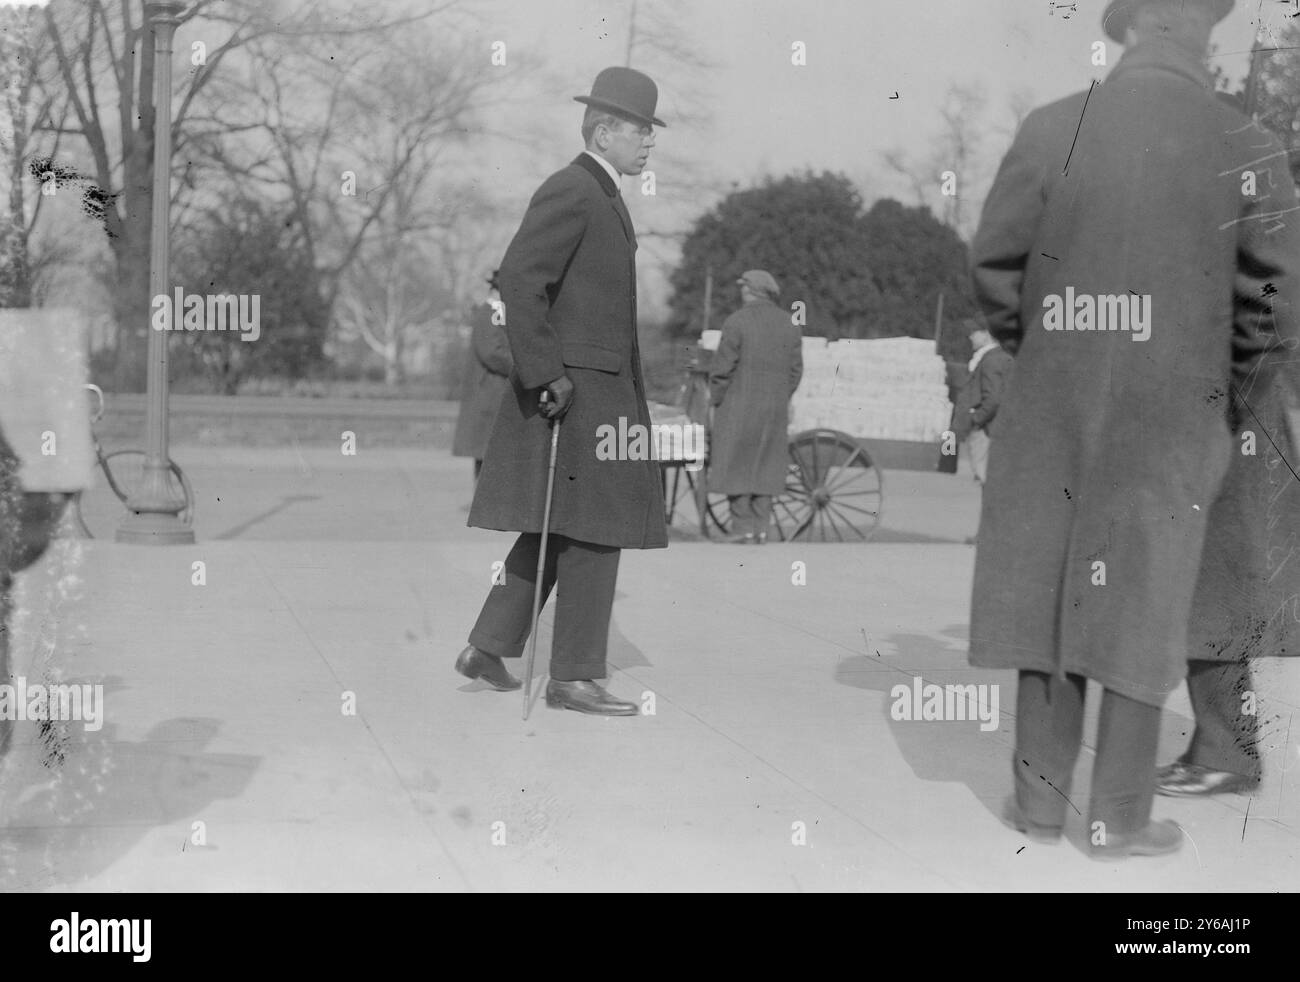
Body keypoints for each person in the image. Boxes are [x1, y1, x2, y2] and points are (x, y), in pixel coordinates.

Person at [967, 0, 1298, 858]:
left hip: (1053, 401)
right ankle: (1119, 816)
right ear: (1200, 30)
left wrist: (1039, 357)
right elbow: (1274, 305)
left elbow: (995, 265)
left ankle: (1037, 808)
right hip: (1174, 410)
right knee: (1144, 598)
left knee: (1052, 586)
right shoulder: (1250, 147)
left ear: (1126, 28)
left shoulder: (1051, 129)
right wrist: (1219, 390)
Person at [454, 67, 668, 716]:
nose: (650, 144)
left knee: (558, 524)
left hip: (592, 392)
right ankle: (574, 677)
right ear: (603, 132)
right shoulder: (575, 190)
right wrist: (547, 373)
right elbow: (521, 279)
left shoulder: (600, 194)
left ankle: (487, 646)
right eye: (640, 131)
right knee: (595, 529)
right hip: (579, 396)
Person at [708, 269, 803, 544]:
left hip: (738, 406)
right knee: (766, 464)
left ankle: (742, 527)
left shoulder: (737, 321)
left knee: (735, 461)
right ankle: (762, 527)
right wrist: (780, 396)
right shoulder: (790, 324)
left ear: (750, 290)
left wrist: (716, 398)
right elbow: (796, 371)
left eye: (743, 287)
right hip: (774, 408)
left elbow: (722, 368)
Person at [451, 271, 512, 484]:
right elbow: (493, 353)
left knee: (489, 456)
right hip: (488, 396)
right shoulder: (489, 314)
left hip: (491, 395)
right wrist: (523, 365)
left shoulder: (495, 313)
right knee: (487, 455)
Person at [951, 320, 1013, 487]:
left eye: (975, 332)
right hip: (993, 427)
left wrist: (976, 419)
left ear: (987, 334)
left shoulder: (990, 360)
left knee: (985, 478)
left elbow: (993, 399)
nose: (970, 336)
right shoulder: (1000, 357)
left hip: (985, 430)